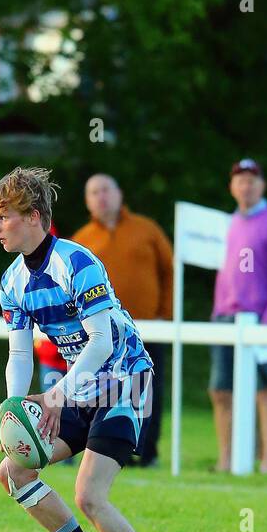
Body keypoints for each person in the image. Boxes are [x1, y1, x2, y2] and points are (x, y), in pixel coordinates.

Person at [0, 166, 178, 532]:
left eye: (2, 217)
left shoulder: (77, 262)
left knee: (89, 495)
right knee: (12, 473)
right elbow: (19, 354)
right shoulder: (12, 282)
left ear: (34, 217)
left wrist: (55, 397)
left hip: (125, 381)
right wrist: (16, 409)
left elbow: (103, 342)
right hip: (81, 386)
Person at [71, 174, 174, 466]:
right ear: (87, 201)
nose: (101, 197)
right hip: (105, 335)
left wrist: (165, 313)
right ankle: (114, 454)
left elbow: (170, 270)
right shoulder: (81, 242)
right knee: (108, 392)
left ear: (119, 193)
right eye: (94, 192)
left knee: (148, 389)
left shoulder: (147, 229)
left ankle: (149, 451)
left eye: (106, 190)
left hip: (148, 328)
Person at [211, 159, 267, 474]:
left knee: (266, 390)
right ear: (232, 187)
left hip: (259, 320)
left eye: (251, 180)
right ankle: (226, 459)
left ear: (262, 186)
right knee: (221, 390)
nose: (245, 186)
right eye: (239, 180)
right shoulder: (229, 222)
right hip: (224, 319)